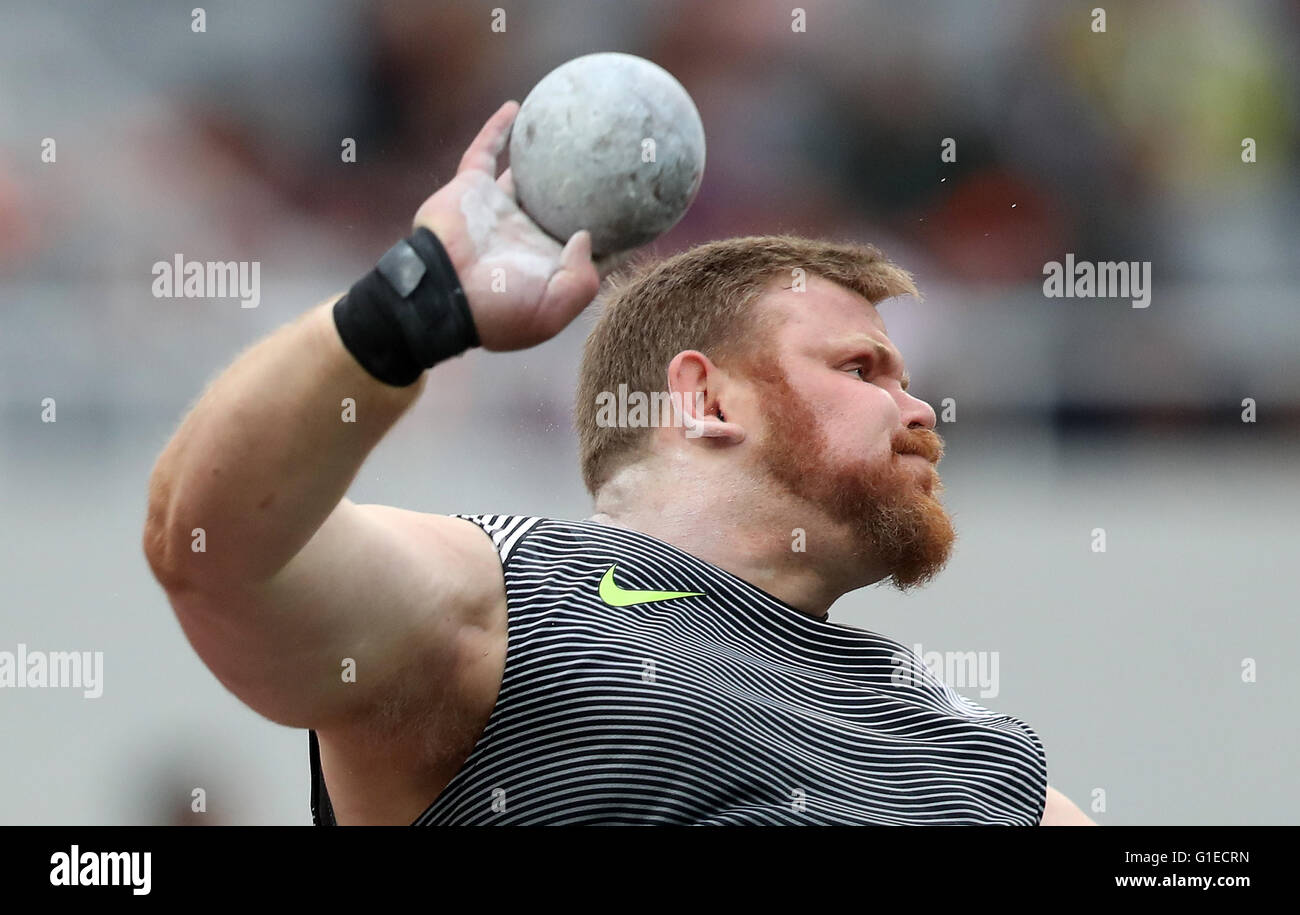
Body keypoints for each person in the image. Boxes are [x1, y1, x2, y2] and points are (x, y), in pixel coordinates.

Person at [144, 101, 1095, 826]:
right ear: (706, 398)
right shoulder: (513, 600)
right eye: (862, 369)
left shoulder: (975, 751)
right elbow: (213, 550)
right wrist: (410, 302)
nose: (919, 407)